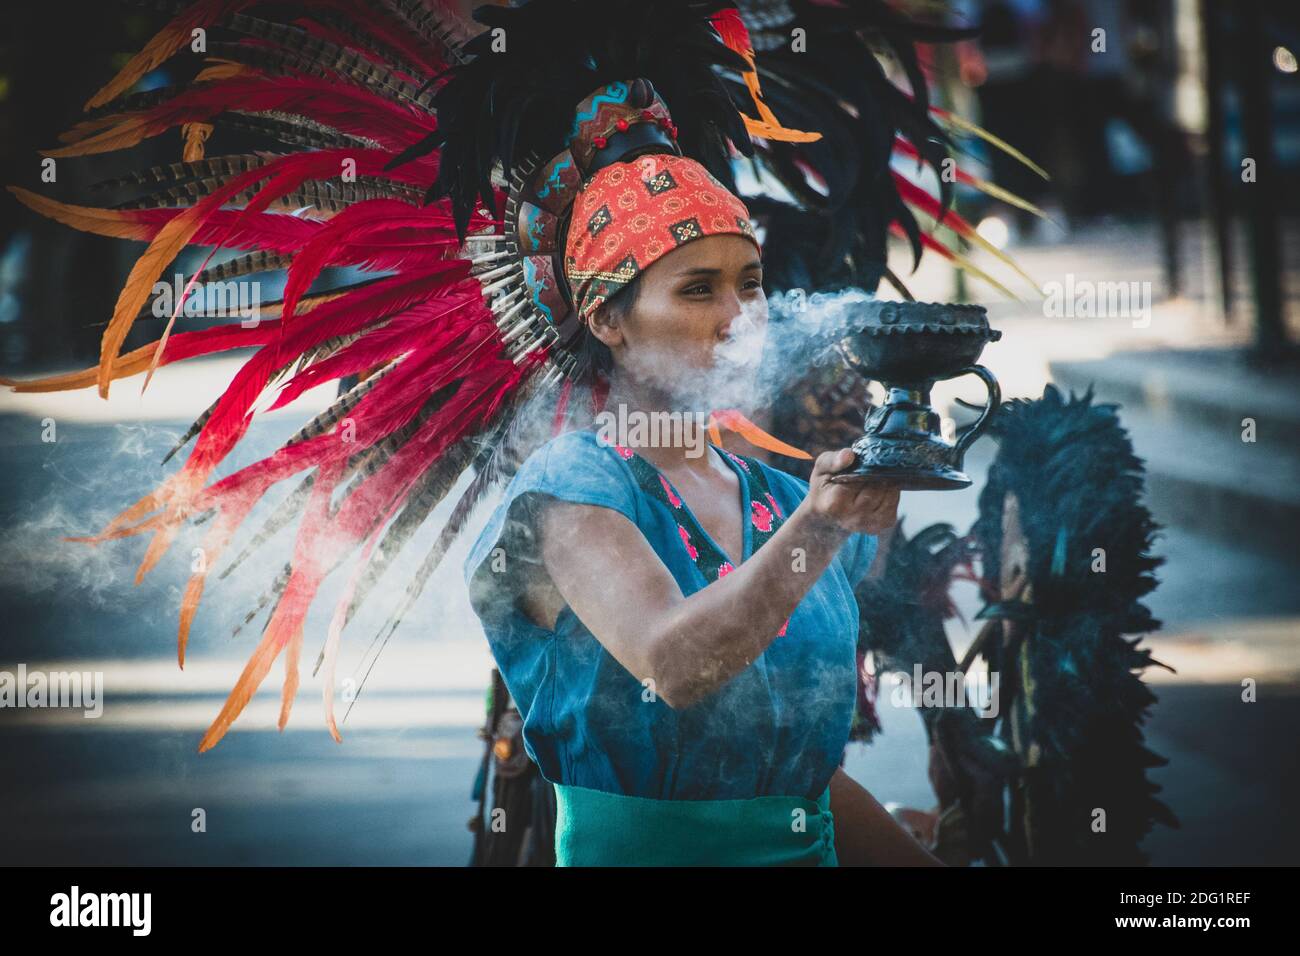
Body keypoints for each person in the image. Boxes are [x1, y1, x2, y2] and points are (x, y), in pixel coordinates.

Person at [462, 144, 942, 866]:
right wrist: (820, 527)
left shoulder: (783, 496)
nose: (737, 317)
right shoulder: (572, 486)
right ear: (606, 319)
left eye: (750, 285)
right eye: (697, 289)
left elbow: (796, 791)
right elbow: (672, 667)